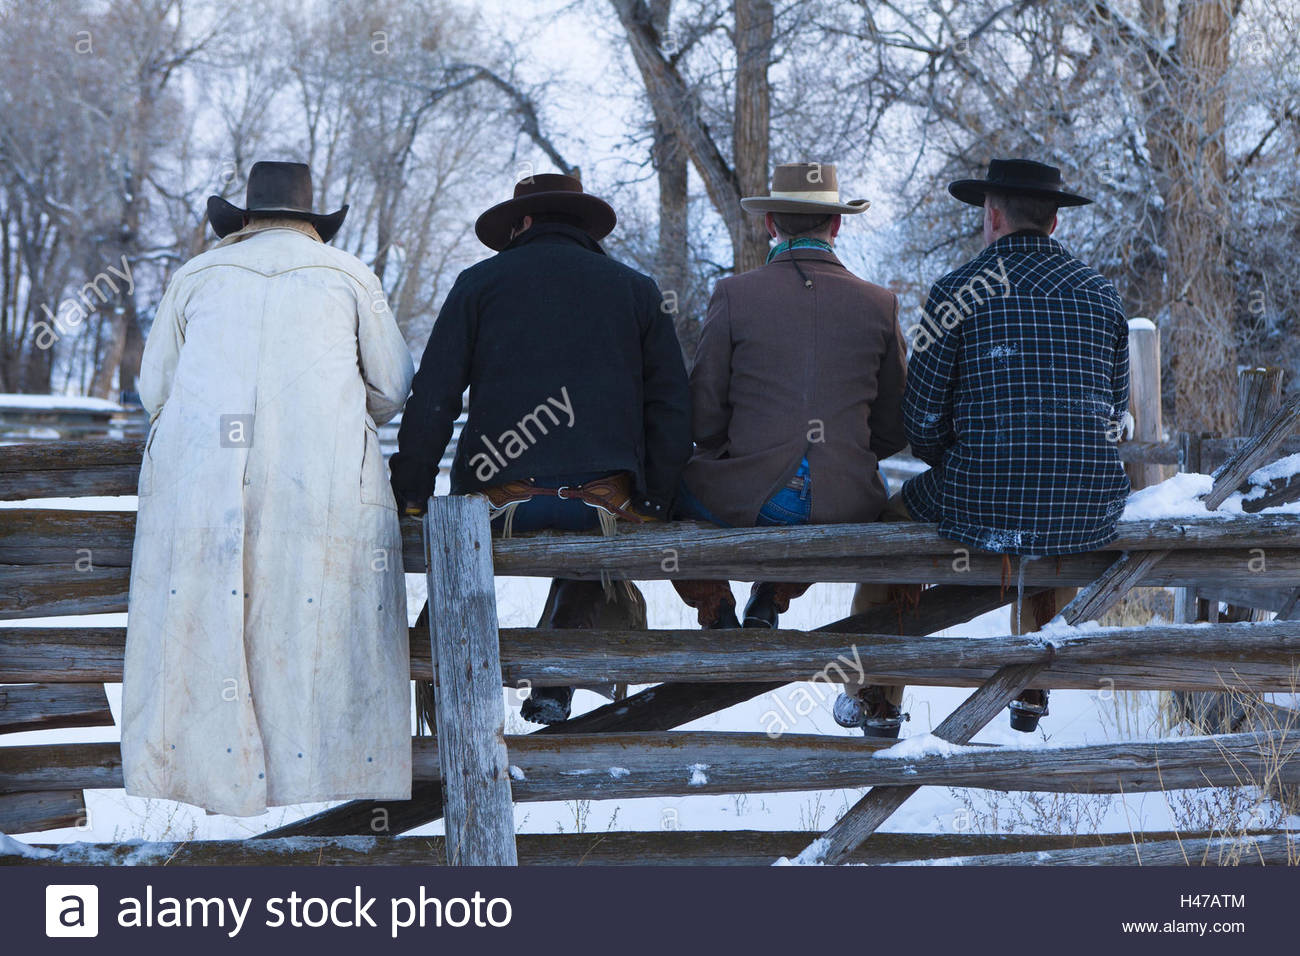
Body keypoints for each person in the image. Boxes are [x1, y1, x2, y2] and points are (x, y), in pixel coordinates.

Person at [122, 161, 415, 815]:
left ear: (244, 220)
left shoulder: (195, 276)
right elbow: (394, 383)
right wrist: (332, 407)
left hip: (201, 483)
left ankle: (195, 776)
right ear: (311, 223)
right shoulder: (348, 275)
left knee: (203, 631)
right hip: (320, 481)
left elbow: (154, 392)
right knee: (319, 630)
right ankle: (330, 777)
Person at [836, 158, 1130, 736]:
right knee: (1056, 509)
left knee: (891, 533)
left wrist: (962, 458)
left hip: (978, 490)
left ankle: (875, 697)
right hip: (1087, 498)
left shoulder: (957, 292)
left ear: (991, 215)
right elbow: (1114, 411)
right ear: (1053, 223)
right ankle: (1030, 682)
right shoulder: (1102, 294)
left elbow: (920, 419)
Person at [390, 172, 691, 725]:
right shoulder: (636, 289)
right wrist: (657, 500)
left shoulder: (479, 284)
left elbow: (433, 399)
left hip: (498, 505)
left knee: (483, 554)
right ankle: (557, 676)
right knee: (588, 528)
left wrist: (410, 493)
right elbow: (672, 408)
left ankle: (465, 707)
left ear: (523, 222)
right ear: (581, 226)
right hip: (603, 503)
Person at [670, 162, 908, 630]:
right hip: (847, 503)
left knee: (669, 492)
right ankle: (774, 593)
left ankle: (714, 601)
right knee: (811, 514)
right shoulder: (881, 303)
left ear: (770, 223)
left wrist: (735, 446)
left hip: (749, 496)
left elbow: (703, 419)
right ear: (837, 224)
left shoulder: (734, 294)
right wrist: (842, 455)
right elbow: (894, 424)